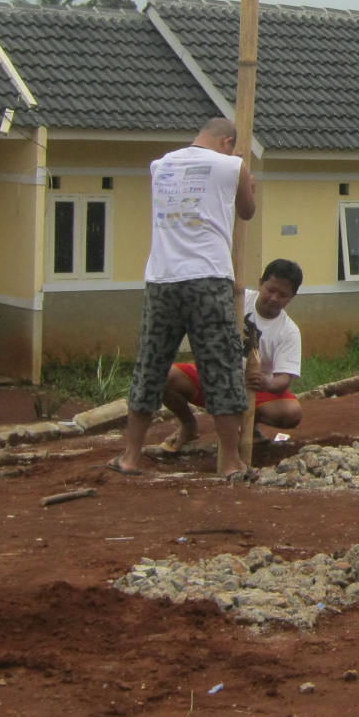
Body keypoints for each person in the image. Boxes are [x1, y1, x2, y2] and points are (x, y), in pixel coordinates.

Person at [111, 117, 257, 478]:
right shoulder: (232, 165)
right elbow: (247, 212)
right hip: (208, 277)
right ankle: (231, 462)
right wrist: (248, 183)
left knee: (150, 366)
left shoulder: (159, 165)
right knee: (220, 367)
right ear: (227, 142)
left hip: (161, 279)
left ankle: (130, 456)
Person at [163, 259, 305, 450]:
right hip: (216, 376)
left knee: (291, 413)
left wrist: (266, 383)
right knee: (162, 376)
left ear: (292, 297)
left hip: (252, 388)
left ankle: (250, 427)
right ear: (260, 282)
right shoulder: (237, 298)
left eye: (282, 295)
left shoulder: (289, 331)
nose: (273, 298)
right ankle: (189, 425)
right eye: (270, 290)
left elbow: (284, 379)